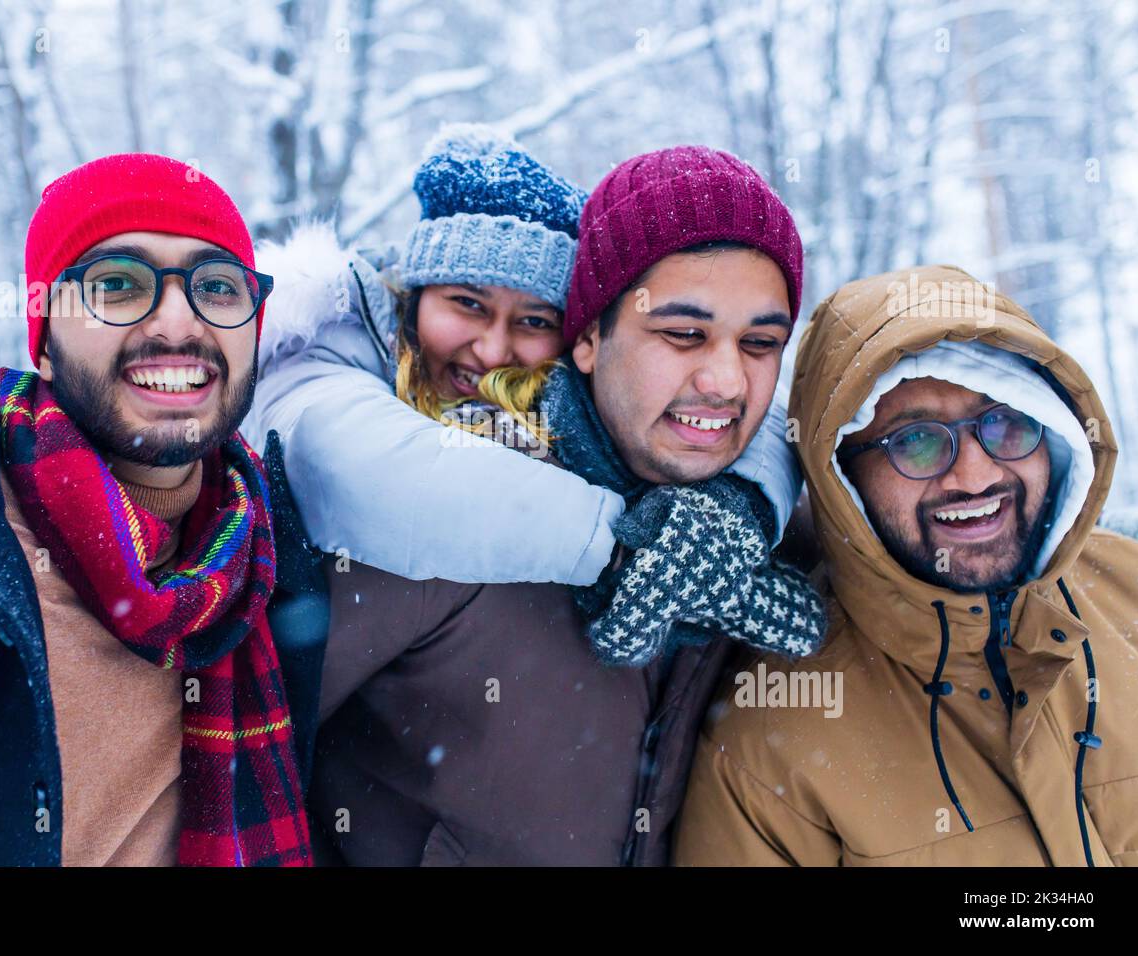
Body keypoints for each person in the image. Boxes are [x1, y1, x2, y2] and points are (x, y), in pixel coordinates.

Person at [300, 146, 827, 866]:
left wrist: (745, 511)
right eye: (682, 334)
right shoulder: (423, 525)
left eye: (760, 343)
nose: (728, 381)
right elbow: (246, 755)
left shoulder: (770, 541)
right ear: (587, 340)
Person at [0, 154, 310, 867]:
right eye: (118, 284)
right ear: (46, 343)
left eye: (218, 287)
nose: (178, 323)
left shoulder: (284, 559)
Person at [674, 265, 1138, 867]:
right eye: (915, 440)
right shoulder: (771, 741)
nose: (976, 476)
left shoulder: (1134, 589)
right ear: (841, 476)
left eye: (1005, 423)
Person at [242, 125, 801, 589]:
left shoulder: (561, 410)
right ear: (415, 294)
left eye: (535, 321)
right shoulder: (326, 343)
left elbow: (764, 411)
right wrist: (625, 548)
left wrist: (741, 498)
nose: (492, 349)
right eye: (467, 304)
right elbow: (347, 465)